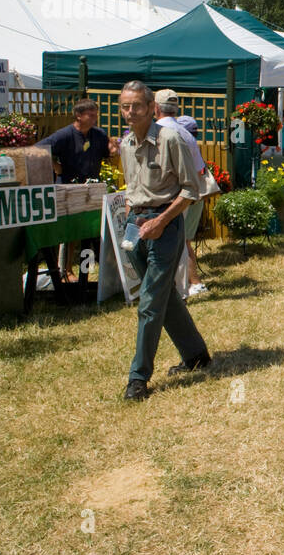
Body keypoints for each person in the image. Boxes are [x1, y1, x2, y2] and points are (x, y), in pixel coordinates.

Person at [117, 81, 211, 400]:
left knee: (149, 302)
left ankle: (138, 377)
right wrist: (133, 220)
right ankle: (196, 354)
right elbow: (132, 189)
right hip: (137, 226)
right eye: (125, 106)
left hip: (165, 226)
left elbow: (190, 189)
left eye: (136, 106)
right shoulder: (126, 144)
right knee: (163, 296)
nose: (130, 112)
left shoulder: (170, 138)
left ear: (151, 109)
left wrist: (160, 221)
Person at [36, 98, 118, 285]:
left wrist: (113, 149)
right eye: (91, 115)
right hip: (68, 189)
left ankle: (85, 273)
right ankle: (64, 270)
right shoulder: (64, 135)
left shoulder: (98, 134)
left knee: (87, 233)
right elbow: (38, 149)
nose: (95, 118)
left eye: (96, 114)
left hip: (91, 190)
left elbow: (108, 150)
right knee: (68, 234)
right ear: (78, 116)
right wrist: (55, 165)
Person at [155, 91, 221, 299]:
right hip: (191, 195)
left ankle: (182, 288)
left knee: (176, 243)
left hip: (175, 197)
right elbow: (200, 168)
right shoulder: (185, 134)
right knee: (183, 242)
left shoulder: (160, 132)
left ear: (155, 108)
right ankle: (190, 285)